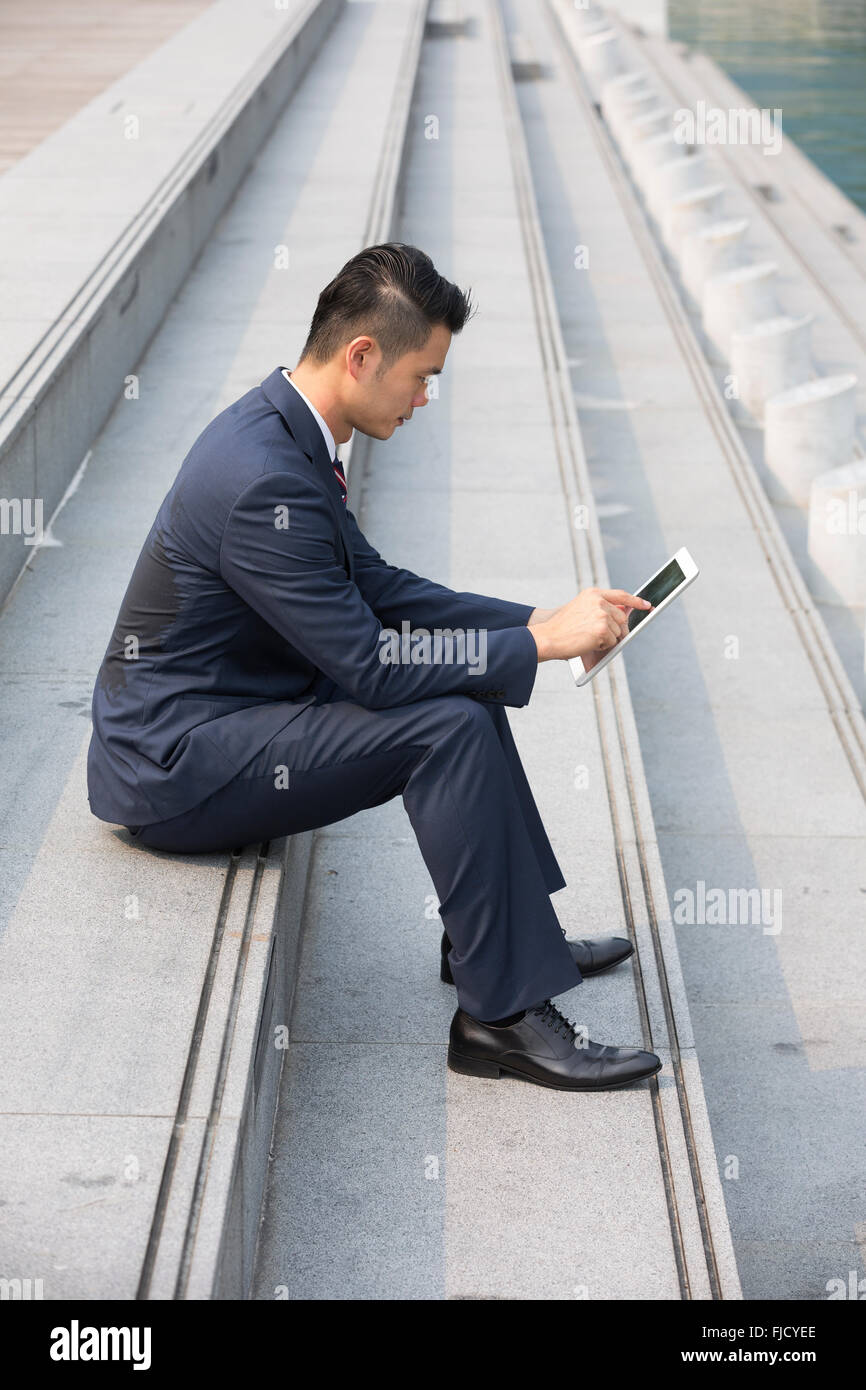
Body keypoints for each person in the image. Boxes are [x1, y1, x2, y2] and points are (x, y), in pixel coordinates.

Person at [87, 241, 661, 1092]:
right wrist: (539, 646)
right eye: (422, 376)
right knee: (447, 723)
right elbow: (373, 666)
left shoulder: (286, 428)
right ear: (362, 355)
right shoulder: (264, 479)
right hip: (174, 763)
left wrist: (534, 619)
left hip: (240, 701)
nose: (426, 398)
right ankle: (499, 1019)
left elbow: (377, 585)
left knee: (463, 690)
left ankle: (502, 939)